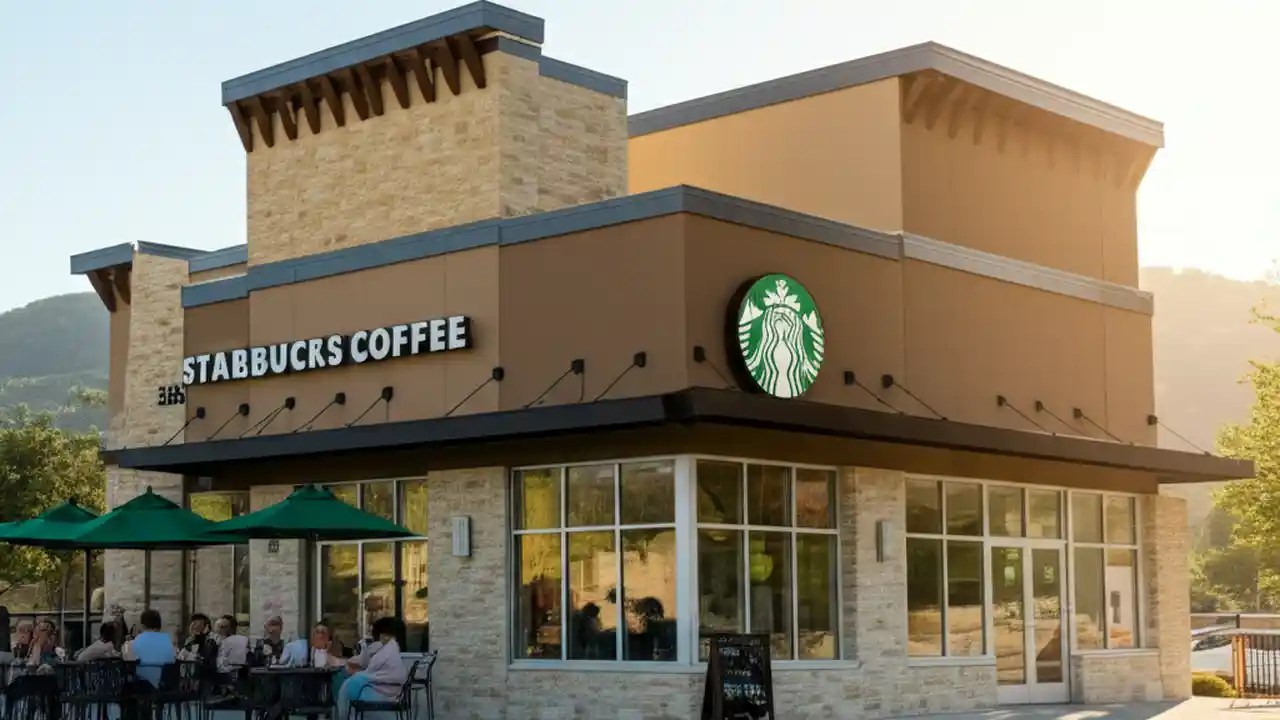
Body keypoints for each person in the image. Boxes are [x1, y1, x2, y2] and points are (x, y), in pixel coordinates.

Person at [336, 618, 406, 720]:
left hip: (383, 693)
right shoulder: (391, 650)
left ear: (384, 635)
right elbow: (372, 670)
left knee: (347, 686)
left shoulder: (387, 651)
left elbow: (370, 670)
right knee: (349, 681)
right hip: (389, 691)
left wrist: (357, 673)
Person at [127, 609, 175, 687]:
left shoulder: (135, 642)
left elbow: (126, 657)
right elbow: (172, 660)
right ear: (160, 625)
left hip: (140, 685)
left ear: (142, 625)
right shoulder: (167, 642)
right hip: (163, 686)